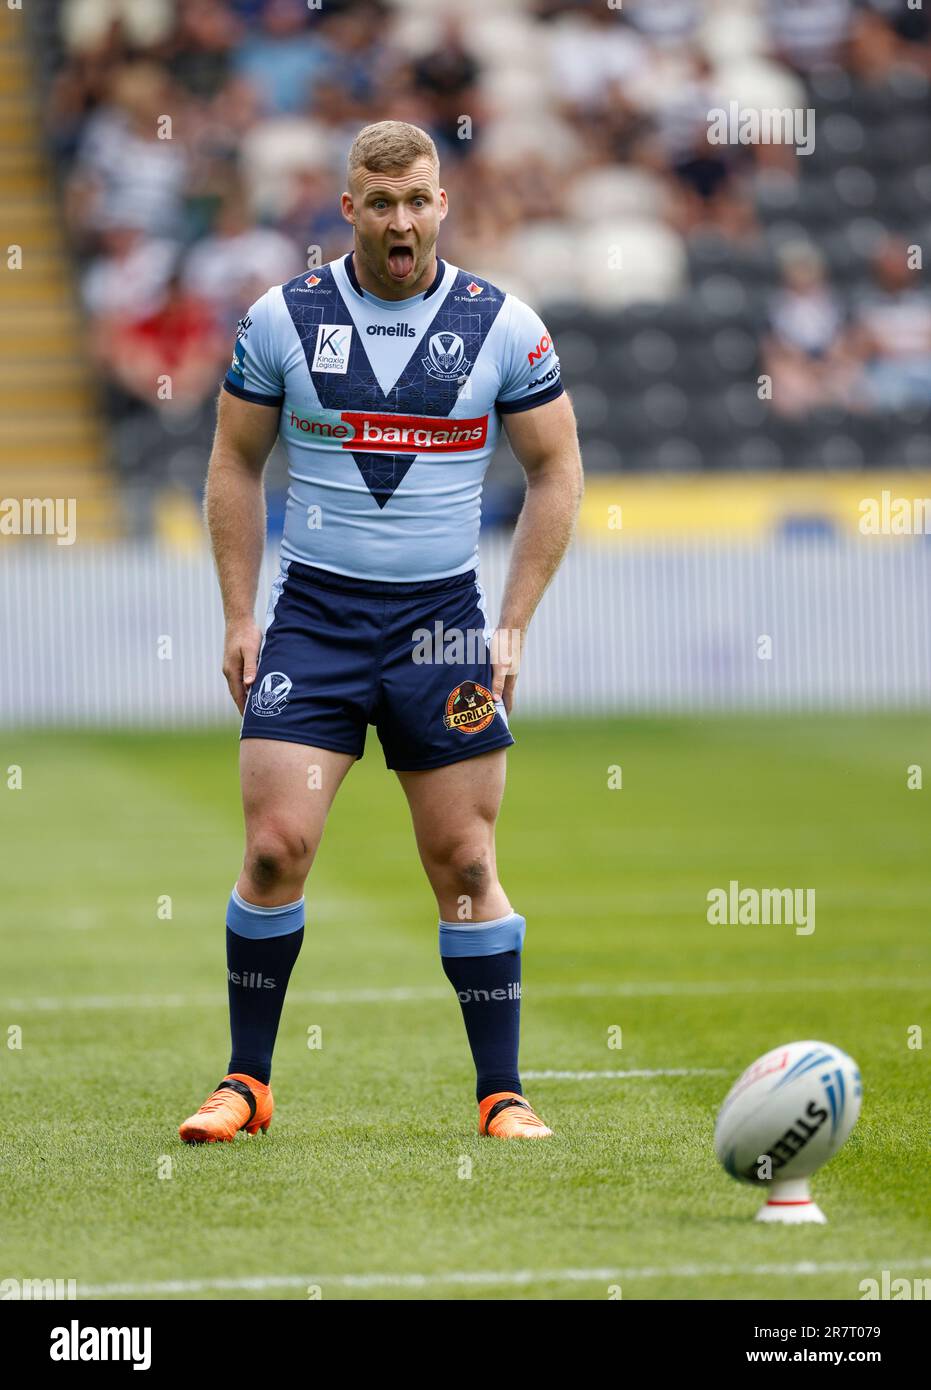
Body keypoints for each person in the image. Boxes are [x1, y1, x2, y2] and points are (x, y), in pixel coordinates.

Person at [179, 121, 583, 1145]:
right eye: (379, 201)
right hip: (312, 619)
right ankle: (246, 1083)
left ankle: (502, 1094)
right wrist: (239, 611)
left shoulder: (504, 327)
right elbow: (234, 462)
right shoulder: (282, 318)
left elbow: (557, 470)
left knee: (463, 861)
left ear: (442, 205)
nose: (400, 221)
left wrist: (513, 622)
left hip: (441, 628)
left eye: (418, 201)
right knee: (275, 848)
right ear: (346, 208)